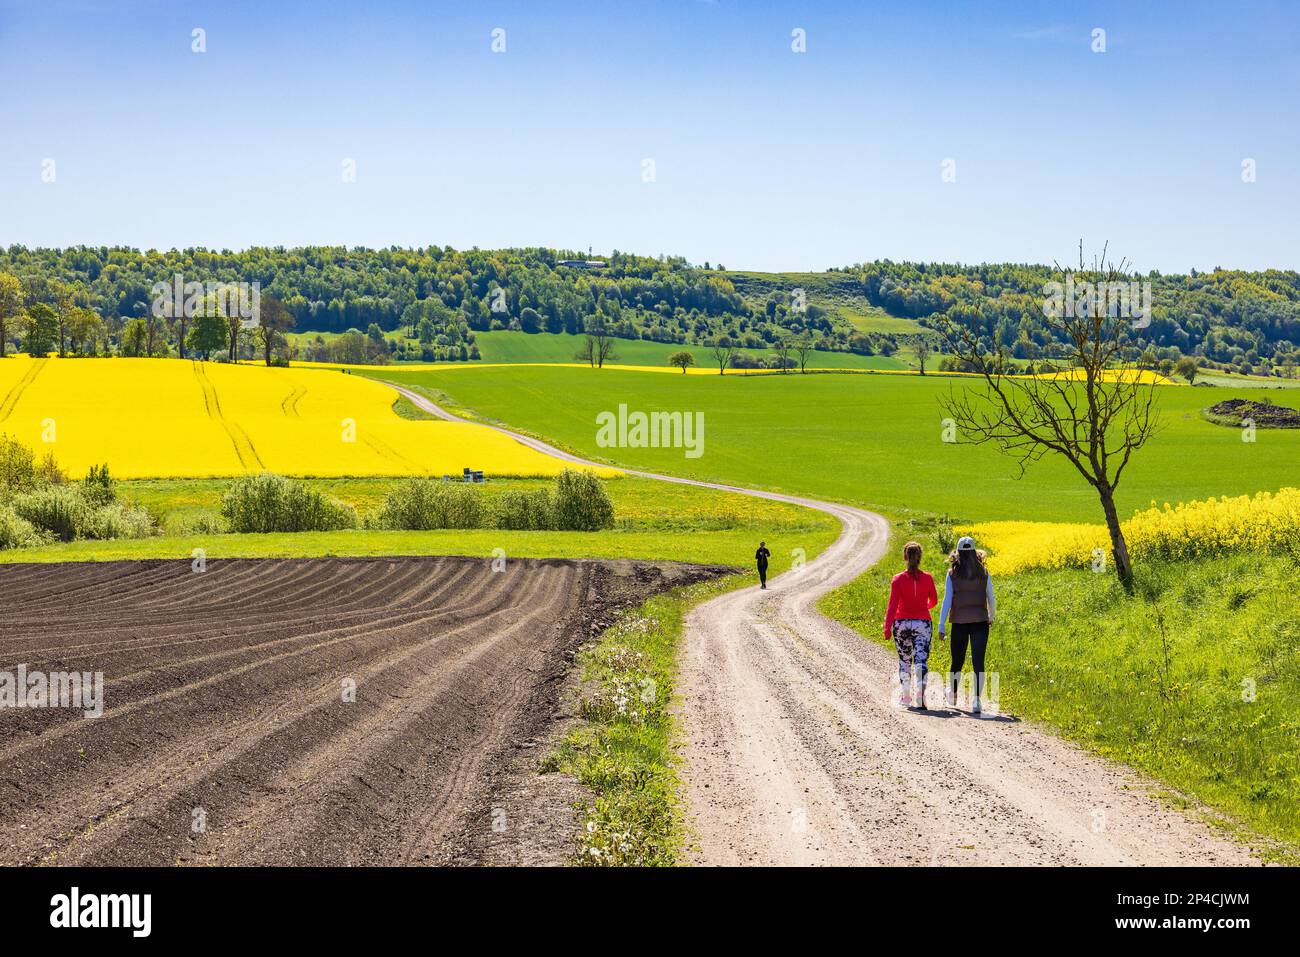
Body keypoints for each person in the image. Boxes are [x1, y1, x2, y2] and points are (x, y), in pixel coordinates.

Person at [937, 536, 995, 716]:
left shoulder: (952, 573)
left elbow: (947, 600)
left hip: (959, 623)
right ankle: (977, 700)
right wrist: (991, 616)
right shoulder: (984, 572)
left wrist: (941, 625)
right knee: (978, 661)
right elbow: (990, 597)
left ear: (959, 552)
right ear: (974, 552)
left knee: (957, 659)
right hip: (980, 622)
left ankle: (953, 694)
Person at [883, 541, 938, 709]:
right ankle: (921, 696)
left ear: (905, 557)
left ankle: (906, 696)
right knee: (921, 659)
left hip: (902, 624)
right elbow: (934, 601)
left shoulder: (898, 579)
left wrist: (887, 627)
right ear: (920, 557)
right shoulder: (928, 578)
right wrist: (922, 608)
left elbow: (892, 605)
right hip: (923, 623)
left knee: (905, 660)